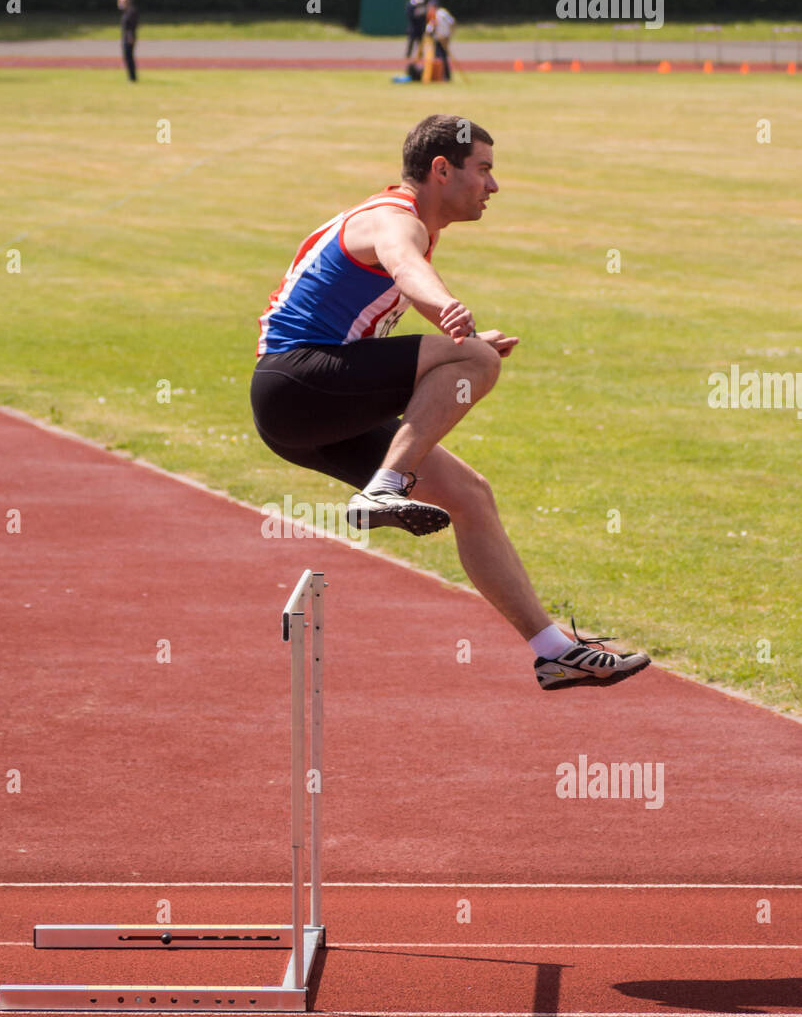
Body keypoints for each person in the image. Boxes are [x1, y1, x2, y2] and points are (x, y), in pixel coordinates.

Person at [251, 115, 651, 691]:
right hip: (294, 383)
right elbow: (405, 267)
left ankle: (552, 651)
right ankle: (386, 486)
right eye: (484, 169)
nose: (493, 186)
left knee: (469, 494)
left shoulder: (406, 223)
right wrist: (450, 314)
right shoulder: (394, 219)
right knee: (476, 362)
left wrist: (461, 343)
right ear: (442, 170)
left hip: (305, 407)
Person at [426, 0, 456, 82]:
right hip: (438, 38)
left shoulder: (442, 13)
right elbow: (430, 27)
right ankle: (439, 75)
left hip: (444, 38)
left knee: (442, 57)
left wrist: (450, 33)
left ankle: (445, 76)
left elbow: (451, 22)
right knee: (438, 57)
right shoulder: (433, 14)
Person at [117, 0, 138, 82]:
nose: (120, 3)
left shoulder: (131, 11)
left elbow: (131, 26)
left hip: (129, 38)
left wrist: (130, 37)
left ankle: (132, 78)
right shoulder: (127, 11)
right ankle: (131, 77)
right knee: (127, 57)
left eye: (121, 1)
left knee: (129, 57)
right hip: (126, 37)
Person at [405, 0, 427, 67]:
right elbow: (410, 16)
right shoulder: (410, 5)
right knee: (411, 43)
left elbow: (424, 17)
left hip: (420, 28)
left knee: (420, 43)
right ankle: (407, 57)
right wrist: (417, 14)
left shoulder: (422, 5)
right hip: (413, 28)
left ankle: (420, 56)